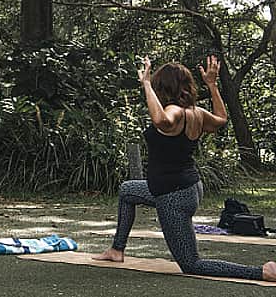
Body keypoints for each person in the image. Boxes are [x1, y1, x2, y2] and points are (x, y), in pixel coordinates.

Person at [93, 55, 276, 281]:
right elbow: (221, 118)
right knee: (128, 190)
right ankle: (116, 250)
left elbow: (162, 121)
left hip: (173, 197)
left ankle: (261, 272)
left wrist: (146, 85)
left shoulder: (175, 111)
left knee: (191, 264)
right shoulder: (196, 113)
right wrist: (212, 85)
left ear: (163, 87)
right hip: (184, 187)